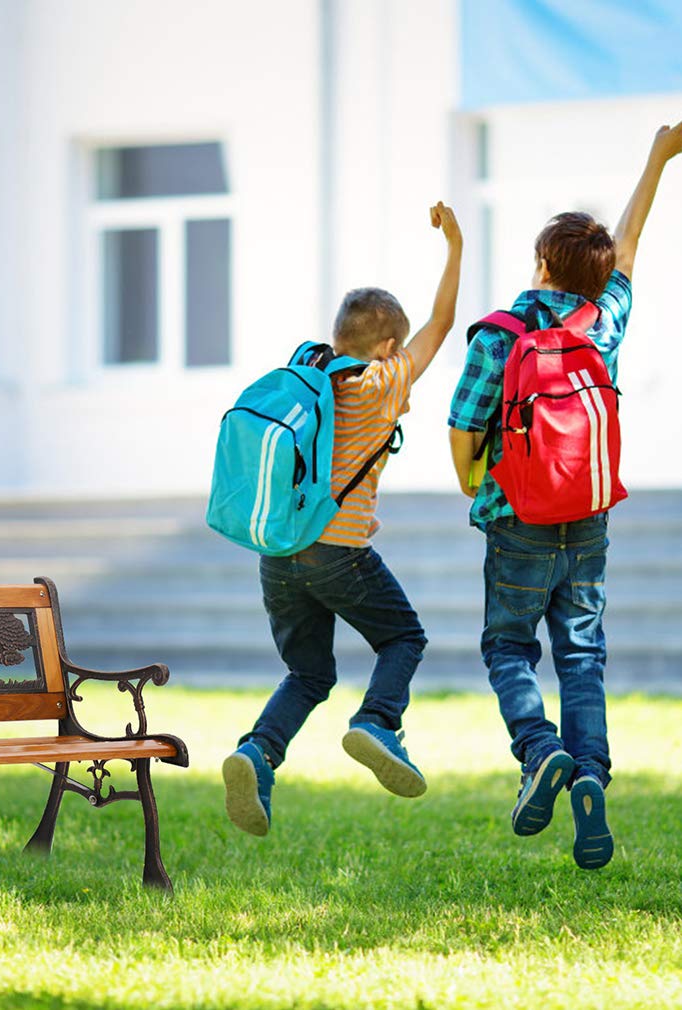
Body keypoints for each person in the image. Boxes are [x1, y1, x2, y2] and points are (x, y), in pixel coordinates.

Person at [447, 121, 682, 869]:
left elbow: (462, 426)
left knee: (507, 647)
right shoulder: (602, 320)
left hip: (515, 518)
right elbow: (633, 238)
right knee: (582, 655)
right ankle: (589, 777)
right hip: (587, 519)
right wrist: (660, 158)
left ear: (542, 262)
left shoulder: (500, 333)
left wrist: (475, 487)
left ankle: (540, 750)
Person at [223, 202, 463, 836]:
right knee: (403, 638)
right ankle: (378, 722)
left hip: (278, 551)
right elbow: (442, 322)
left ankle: (257, 752)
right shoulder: (382, 382)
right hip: (339, 551)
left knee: (307, 672)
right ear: (386, 345)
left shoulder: (308, 373)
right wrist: (456, 246)